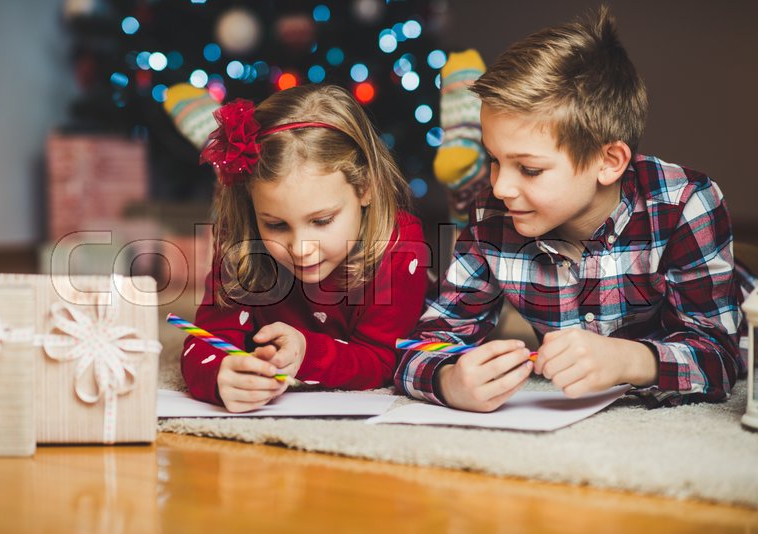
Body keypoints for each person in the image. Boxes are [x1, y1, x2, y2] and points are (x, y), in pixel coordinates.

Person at [395, 6, 750, 411]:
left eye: (529, 169)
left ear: (609, 162)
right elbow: (425, 341)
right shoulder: (492, 214)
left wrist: (628, 359)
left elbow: (720, 359)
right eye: (493, 159)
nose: (500, 186)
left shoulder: (685, 204)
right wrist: (447, 379)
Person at [182, 84, 429, 412]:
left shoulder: (400, 246)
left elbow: (384, 361)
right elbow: (209, 337)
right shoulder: (242, 240)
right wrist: (220, 374)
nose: (300, 248)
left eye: (322, 221)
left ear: (366, 189)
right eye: (276, 224)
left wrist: (307, 353)